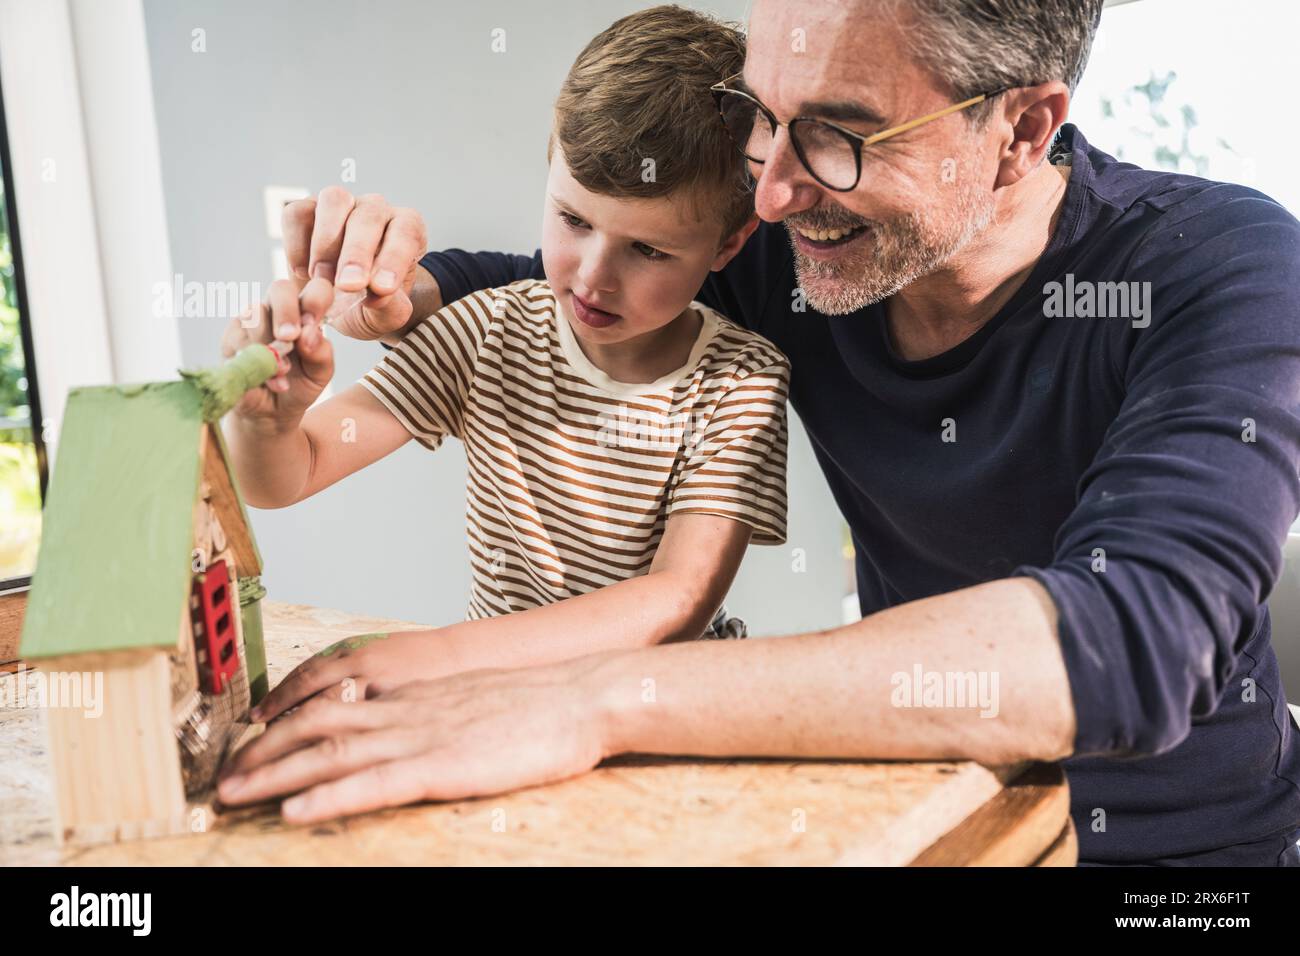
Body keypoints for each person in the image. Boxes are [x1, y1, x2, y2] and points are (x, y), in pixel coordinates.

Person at [220, 0, 1300, 867]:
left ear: (1018, 127)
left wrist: (591, 697)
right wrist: (400, 289)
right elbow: (572, 283)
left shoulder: (1225, 267)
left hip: (1185, 857)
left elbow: (1131, 642)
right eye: (760, 118)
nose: (773, 194)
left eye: (834, 135)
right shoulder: (807, 248)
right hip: (917, 808)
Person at [220, 7, 791, 713]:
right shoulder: (488, 329)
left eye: (649, 250)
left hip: (660, 713)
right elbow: (289, 476)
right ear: (549, 171)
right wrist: (268, 421)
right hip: (493, 708)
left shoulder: (740, 382)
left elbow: (674, 600)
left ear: (727, 247)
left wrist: (438, 654)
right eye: (574, 220)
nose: (593, 276)